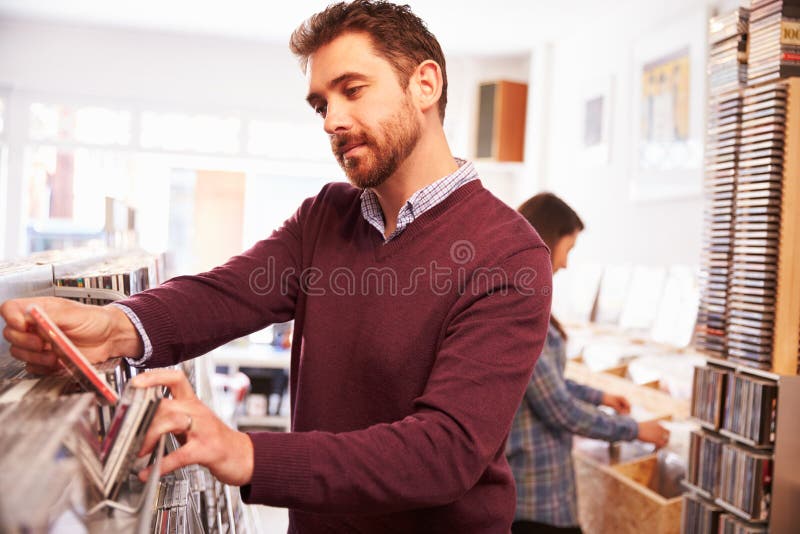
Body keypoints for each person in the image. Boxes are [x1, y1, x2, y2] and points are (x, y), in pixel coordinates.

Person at [0, 2, 553, 532]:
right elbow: (225, 293)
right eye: (321, 105)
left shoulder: (509, 254)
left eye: (353, 91)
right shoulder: (326, 217)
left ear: (425, 84)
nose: (333, 120)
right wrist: (115, 326)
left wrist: (244, 452)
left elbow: (445, 452)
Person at [505, 192, 670, 534]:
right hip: (536, 501)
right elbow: (560, 409)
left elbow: (548, 382)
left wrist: (600, 397)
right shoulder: (520, 310)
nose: (565, 263)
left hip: (544, 495)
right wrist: (635, 430)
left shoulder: (524, 303)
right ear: (548, 241)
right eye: (569, 249)